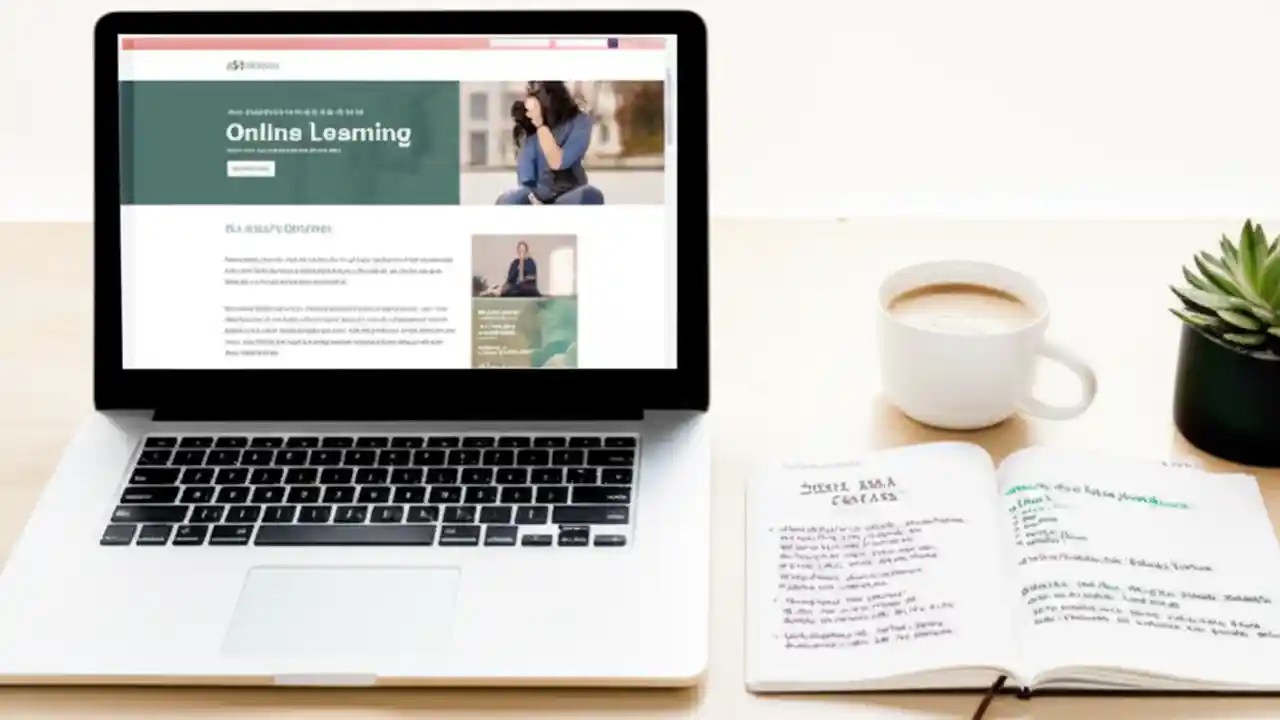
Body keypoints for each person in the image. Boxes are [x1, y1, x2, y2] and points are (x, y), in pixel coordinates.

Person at [496, 81, 605, 205]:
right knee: (509, 199)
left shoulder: (579, 121)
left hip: (568, 194)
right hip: (536, 198)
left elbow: (558, 162)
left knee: (590, 195)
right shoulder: (528, 129)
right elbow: (526, 178)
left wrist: (540, 124)